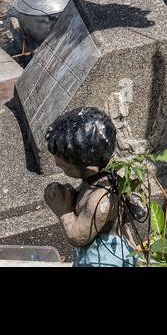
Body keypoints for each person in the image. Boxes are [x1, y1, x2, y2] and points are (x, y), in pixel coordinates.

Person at [43, 107, 136, 267]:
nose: (57, 165)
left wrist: (63, 211)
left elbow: (78, 236)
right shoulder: (95, 177)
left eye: (64, 167)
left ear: (89, 169)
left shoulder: (100, 200)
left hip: (104, 260)